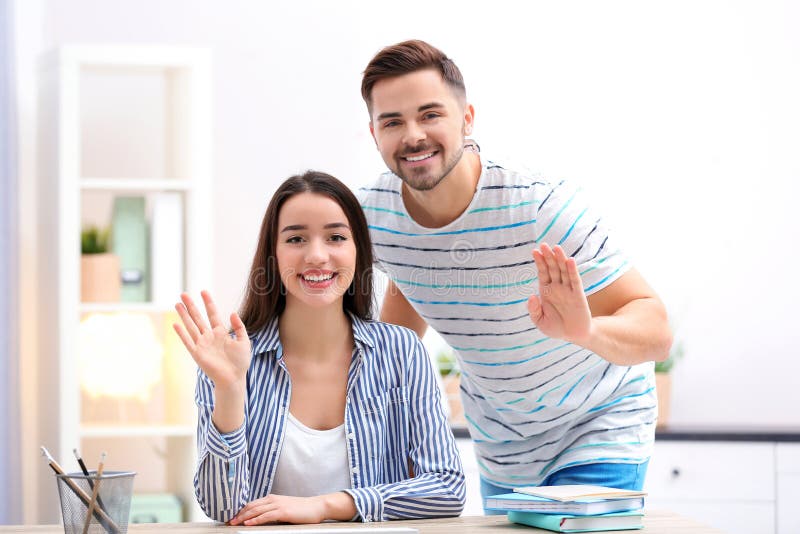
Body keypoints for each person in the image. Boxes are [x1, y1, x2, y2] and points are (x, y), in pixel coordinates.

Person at [357, 40, 673, 507]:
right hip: (501, 442)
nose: (413, 135)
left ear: (466, 119)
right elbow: (409, 286)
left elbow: (658, 329)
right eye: (393, 122)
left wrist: (584, 330)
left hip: (598, 420)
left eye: (430, 115)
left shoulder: (539, 206)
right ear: (374, 134)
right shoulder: (375, 218)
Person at [173, 171, 465, 525]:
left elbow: (447, 488)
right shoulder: (231, 359)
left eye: (336, 237)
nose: (316, 255)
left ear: (358, 251)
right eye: (295, 238)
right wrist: (230, 389)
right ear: (273, 254)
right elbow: (223, 509)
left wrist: (327, 505)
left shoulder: (401, 352)